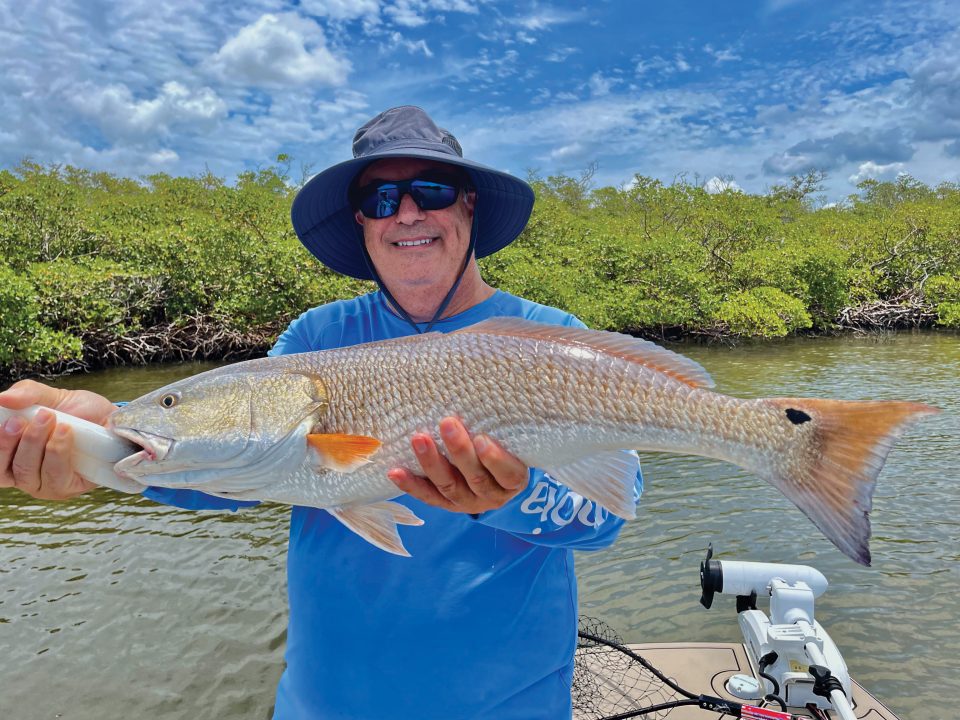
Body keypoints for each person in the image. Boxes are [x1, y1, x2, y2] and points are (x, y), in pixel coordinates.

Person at [0, 106, 642, 719]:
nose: (406, 212)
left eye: (432, 190)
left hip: (509, 708)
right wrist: (98, 445)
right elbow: (238, 470)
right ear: (362, 222)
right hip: (322, 706)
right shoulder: (315, 338)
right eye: (380, 199)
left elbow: (607, 516)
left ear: (468, 204)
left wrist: (513, 496)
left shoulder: (555, 338)